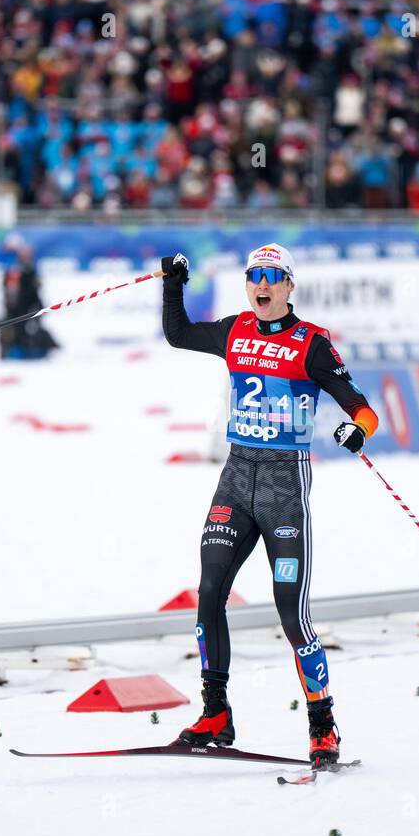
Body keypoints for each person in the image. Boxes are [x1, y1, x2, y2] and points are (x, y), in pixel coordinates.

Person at [160, 245, 379, 766]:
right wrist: (172, 283)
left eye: (272, 278)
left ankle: (322, 725)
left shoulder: (313, 344)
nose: (262, 285)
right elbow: (178, 335)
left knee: (291, 611)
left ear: (288, 287)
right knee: (210, 588)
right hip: (237, 475)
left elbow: (363, 409)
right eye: (254, 276)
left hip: (284, 484)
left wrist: (355, 430)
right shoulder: (234, 330)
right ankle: (215, 711)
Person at [0, 234, 59, 360]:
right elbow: (10, 292)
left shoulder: (30, 268)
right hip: (17, 309)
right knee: (11, 329)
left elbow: (35, 290)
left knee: (32, 329)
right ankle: (15, 351)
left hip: (32, 306)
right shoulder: (13, 269)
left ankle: (34, 350)